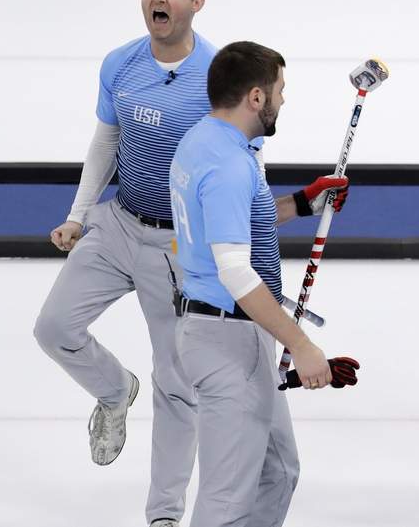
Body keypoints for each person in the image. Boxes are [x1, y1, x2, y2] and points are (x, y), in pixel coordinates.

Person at [32, 0, 213, 527]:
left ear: (195, 4)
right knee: (54, 328)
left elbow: (240, 168)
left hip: (179, 249)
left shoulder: (220, 75)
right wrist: (79, 215)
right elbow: (105, 144)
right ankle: (115, 391)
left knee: (178, 385)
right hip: (117, 224)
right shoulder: (120, 64)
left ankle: (163, 515)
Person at [170, 41, 354, 527]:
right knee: (226, 502)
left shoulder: (206, 143)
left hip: (232, 334)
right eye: (280, 90)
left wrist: (303, 202)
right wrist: (302, 344)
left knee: (278, 471)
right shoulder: (230, 166)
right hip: (227, 338)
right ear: (256, 97)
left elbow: (235, 225)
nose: (283, 100)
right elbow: (235, 271)